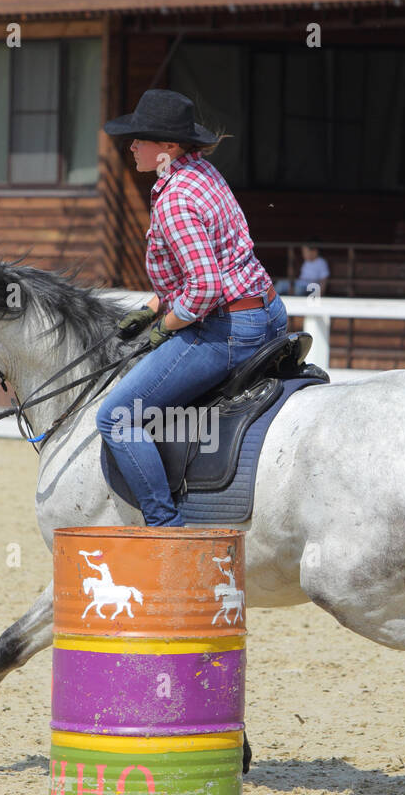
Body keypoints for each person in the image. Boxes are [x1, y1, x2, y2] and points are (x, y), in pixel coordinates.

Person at [96, 89, 287, 527]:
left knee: (116, 418)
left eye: (140, 139)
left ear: (168, 147)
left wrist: (164, 326)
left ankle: (165, 526)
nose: (132, 147)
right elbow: (208, 264)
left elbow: (203, 289)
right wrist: (152, 304)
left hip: (228, 327)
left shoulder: (176, 199)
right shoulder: (200, 173)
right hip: (267, 310)